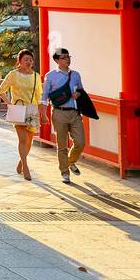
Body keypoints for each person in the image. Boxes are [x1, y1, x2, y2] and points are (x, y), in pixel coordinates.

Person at [43, 48, 86, 184]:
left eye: (68, 56)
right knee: (62, 145)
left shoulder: (76, 75)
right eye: (64, 57)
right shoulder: (50, 76)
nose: (68, 59)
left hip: (74, 113)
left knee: (80, 142)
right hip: (59, 112)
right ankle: (65, 172)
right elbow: (45, 97)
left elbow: (81, 91)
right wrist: (43, 114)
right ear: (56, 60)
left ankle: (70, 161)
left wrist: (78, 94)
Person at [0, 48, 42, 181]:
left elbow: (39, 96)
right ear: (19, 61)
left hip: (31, 110)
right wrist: (9, 104)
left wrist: (41, 112)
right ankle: (26, 167)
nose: (28, 62)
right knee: (22, 140)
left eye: (30, 60)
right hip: (18, 109)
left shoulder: (36, 76)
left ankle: (21, 162)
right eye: (25, 60)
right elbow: (1, 91)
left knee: (29, 141)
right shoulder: (13, 74)